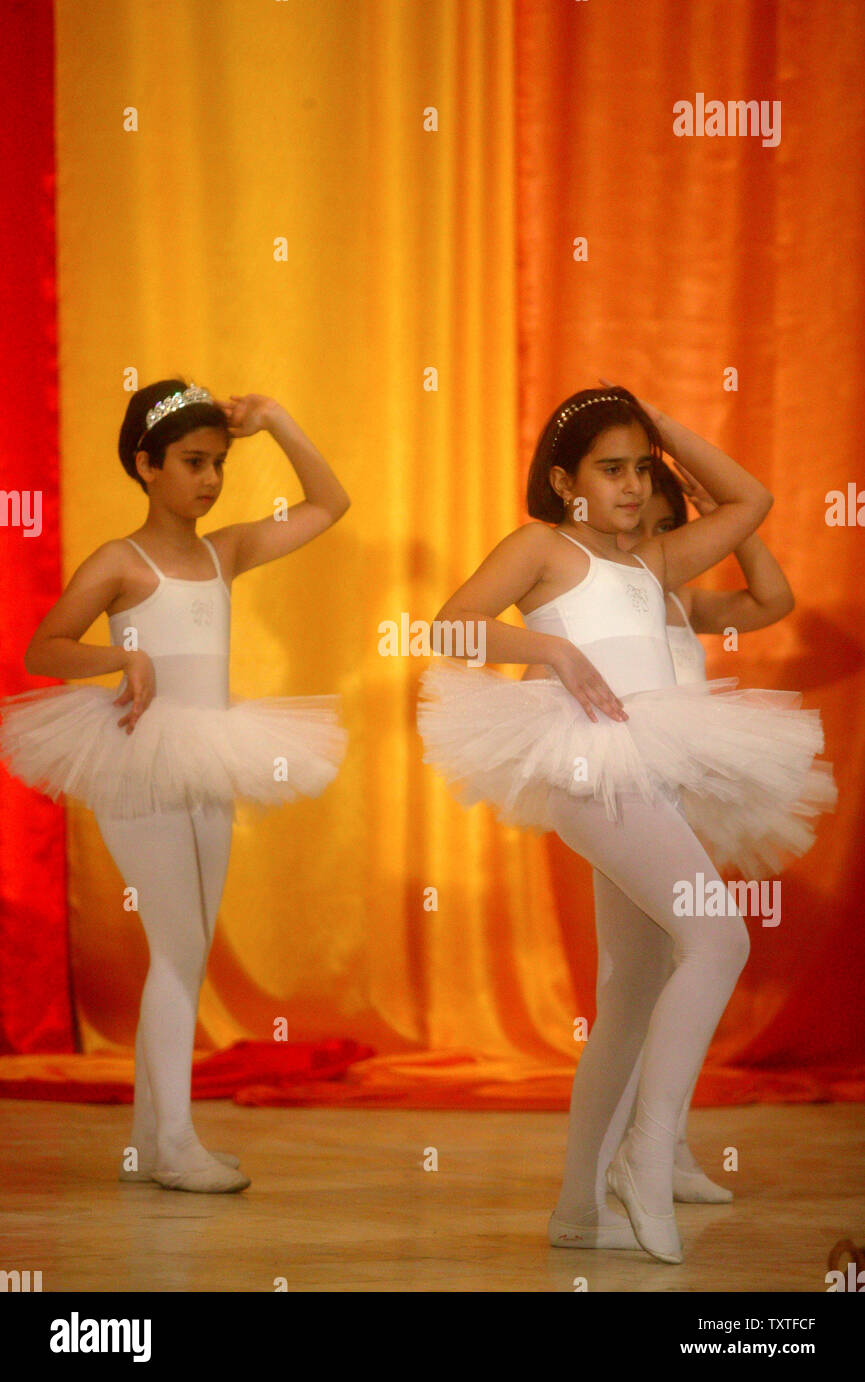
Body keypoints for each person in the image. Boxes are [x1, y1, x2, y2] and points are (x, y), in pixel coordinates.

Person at [416, 383, 835, 1263]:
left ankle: (579, 1207)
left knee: (632, 992)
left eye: (642, 468)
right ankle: (647, 1152)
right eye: (611, 469)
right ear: (563, 479)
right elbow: (447, 630)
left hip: (652, 763)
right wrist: (551, 648)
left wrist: (660, 426)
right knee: (718, 940)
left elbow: (751, 501)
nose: (634, 485)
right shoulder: (541, 545)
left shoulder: (654, 563)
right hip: (585, 759)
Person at [0, 379, 350, 1194]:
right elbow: (44, 649)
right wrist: (121, 657)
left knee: (185, 951)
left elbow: (328, 504)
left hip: (211, 755)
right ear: (145, 464)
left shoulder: (225, 552)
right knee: (180, 947)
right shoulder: (119, 561)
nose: (211, 479)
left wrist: (276, 419)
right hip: (139, 753)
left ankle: (150, 1143)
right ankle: (175, 1144)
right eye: (193, 462)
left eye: (219, 463)